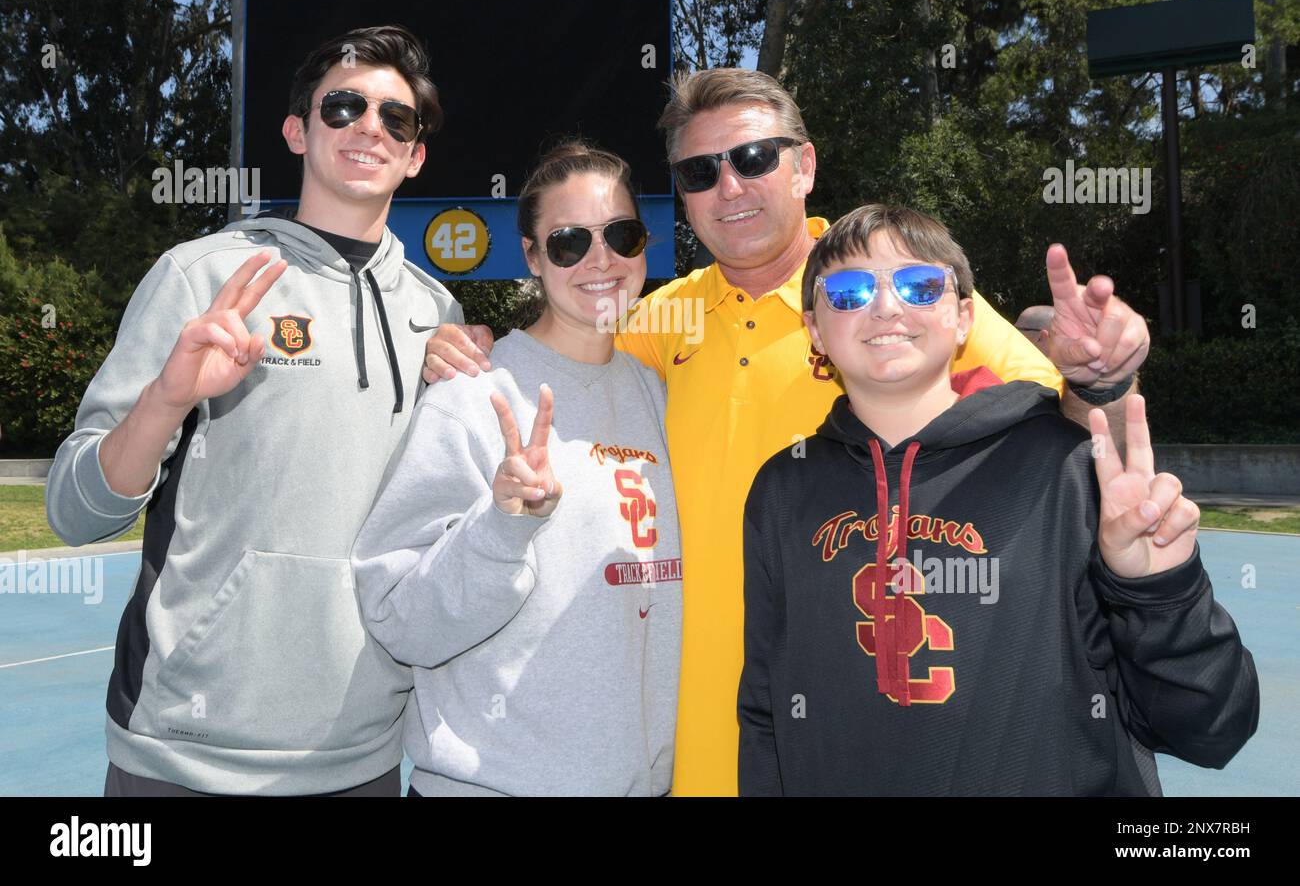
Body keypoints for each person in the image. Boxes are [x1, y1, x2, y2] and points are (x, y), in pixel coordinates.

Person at [421, 68, 1163, 796]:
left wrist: (1098, 377)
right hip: (694, 747)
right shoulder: (657, 323)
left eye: (753, 158)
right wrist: (466, 345)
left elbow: (1069, 430)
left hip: (867, 725)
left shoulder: (891, 303)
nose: (730, 187)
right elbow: (566, 347)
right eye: (700, 172)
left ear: (804, 165)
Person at [44, 25, 463, 796]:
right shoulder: (200, 276)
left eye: (396, 119)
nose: (370, 127)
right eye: (343, 107)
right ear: (298, 130)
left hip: (366, 754)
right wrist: (166, 399)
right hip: (184, 755)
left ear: (415, 155)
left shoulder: (439, 315)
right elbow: (77, 512)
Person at [738, 204, 1258, 795]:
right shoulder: (781, 489)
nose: (886, 306)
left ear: (963, 319)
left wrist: (1163, 592)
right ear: (813, 330)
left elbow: (1213, 729)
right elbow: (765, 708)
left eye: (918, 285)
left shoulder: (1063, 465)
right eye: (850, 290)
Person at [351, 141, 682, 797]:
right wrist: (501, 527)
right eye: (568, 242)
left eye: (621, 234)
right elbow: (397, 618)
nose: (600, 260)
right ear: (531, 256)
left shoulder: (662, 396)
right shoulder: (471, 399)